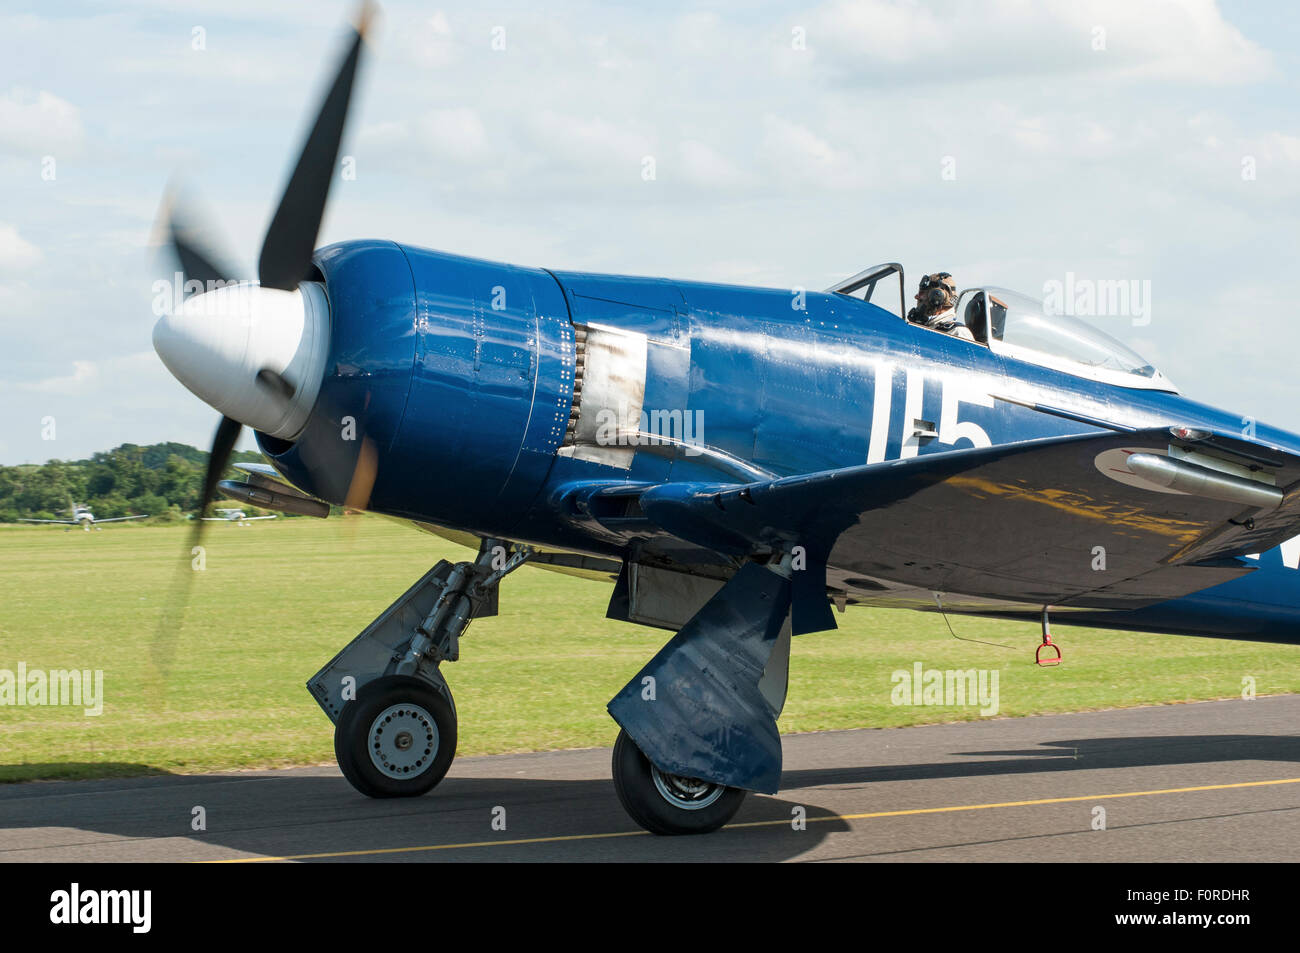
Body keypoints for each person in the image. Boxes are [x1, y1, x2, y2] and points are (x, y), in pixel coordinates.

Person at [906, 272, 973, 341]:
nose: (916, 297)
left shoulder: (958, 333)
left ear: (937, 297)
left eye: (922, 293)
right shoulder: (930, 328)